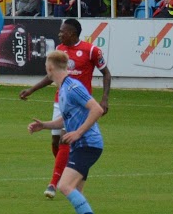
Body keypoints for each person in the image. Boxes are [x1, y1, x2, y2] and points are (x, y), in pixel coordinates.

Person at [26, 49, 109, 214]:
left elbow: (97, 109)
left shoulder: (73, 87)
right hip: (83, 145)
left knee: (64, 186)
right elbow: (66, 119)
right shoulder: (64, 89)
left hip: (87, 144)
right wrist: (44, 125)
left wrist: (78, 132)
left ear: (50, 67)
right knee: (76, 191)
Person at [19, 18, 111, 198]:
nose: (59, 34)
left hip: (79, 104)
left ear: (72, 33)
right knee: (56, 142)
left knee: (64, 140)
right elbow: (51, 76)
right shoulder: (60, 50)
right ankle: (72, 170)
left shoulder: (91, 50)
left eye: (63, 31)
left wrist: (104, 99)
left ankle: (53, 184)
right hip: (60, 101)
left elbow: (106, 74)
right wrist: (31, 90)